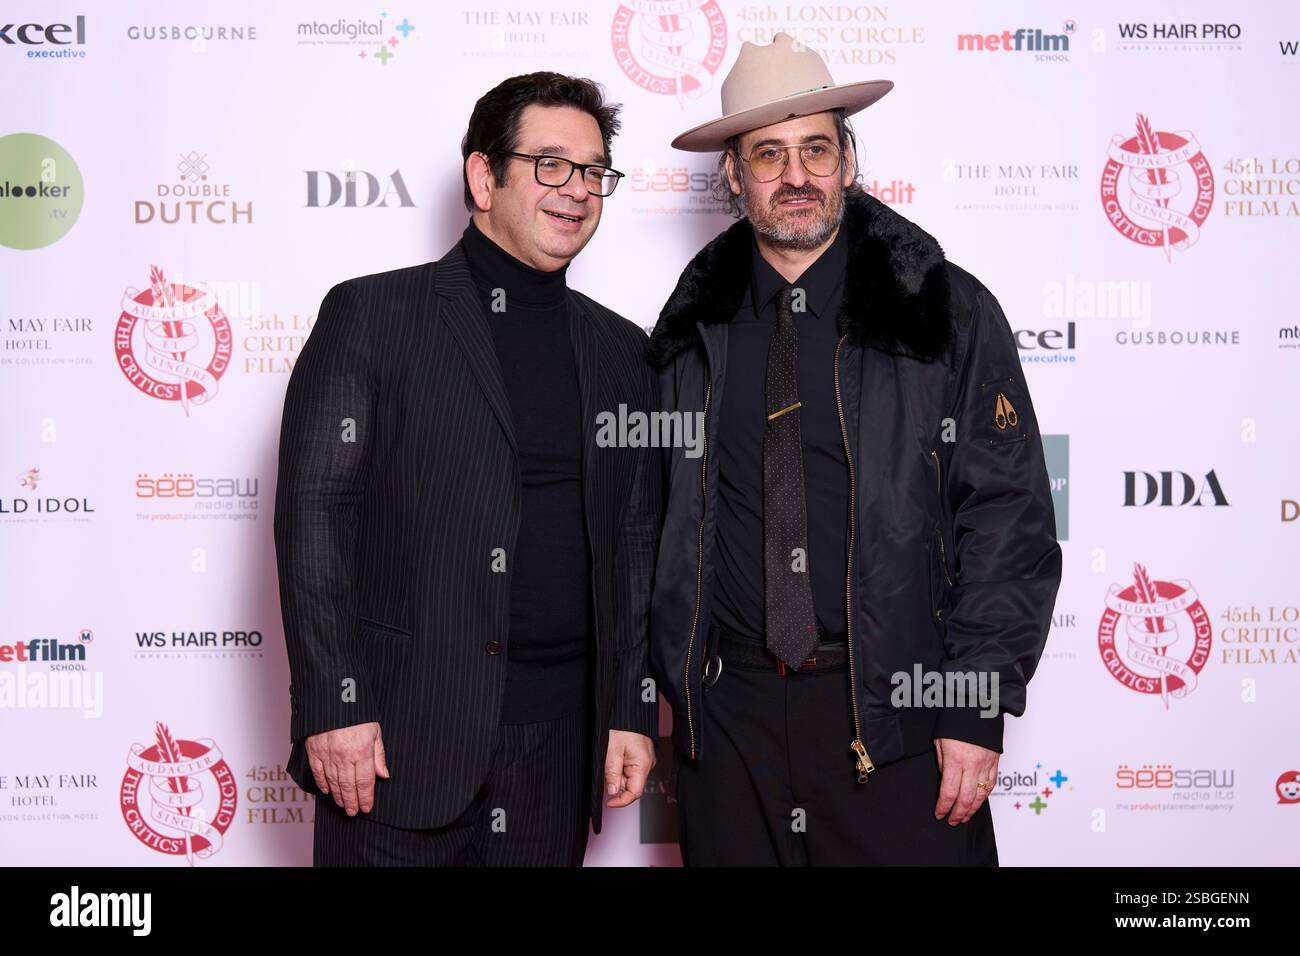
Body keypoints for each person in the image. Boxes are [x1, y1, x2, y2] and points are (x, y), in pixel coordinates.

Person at [647, 33, 1062, 865]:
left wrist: (973, 704)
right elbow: (652, 528)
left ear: (848, 161)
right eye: (769, 154)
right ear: (734, 174)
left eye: (817, 150)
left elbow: (1009, 516)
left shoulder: (942, 306)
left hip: (896, 713)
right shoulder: (690, 330)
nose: (796, 176)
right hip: (731, 728)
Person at [274, 72, 659, 866]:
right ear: (484, 177)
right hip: (396, 743)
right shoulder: (373, 316)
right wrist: (334, 703)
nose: (577, 191)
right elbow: (317, 517)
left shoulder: (622, 350)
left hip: (557, 752)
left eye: (594, 172)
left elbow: (633, 543)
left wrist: (629, 710)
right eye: (551, 165)